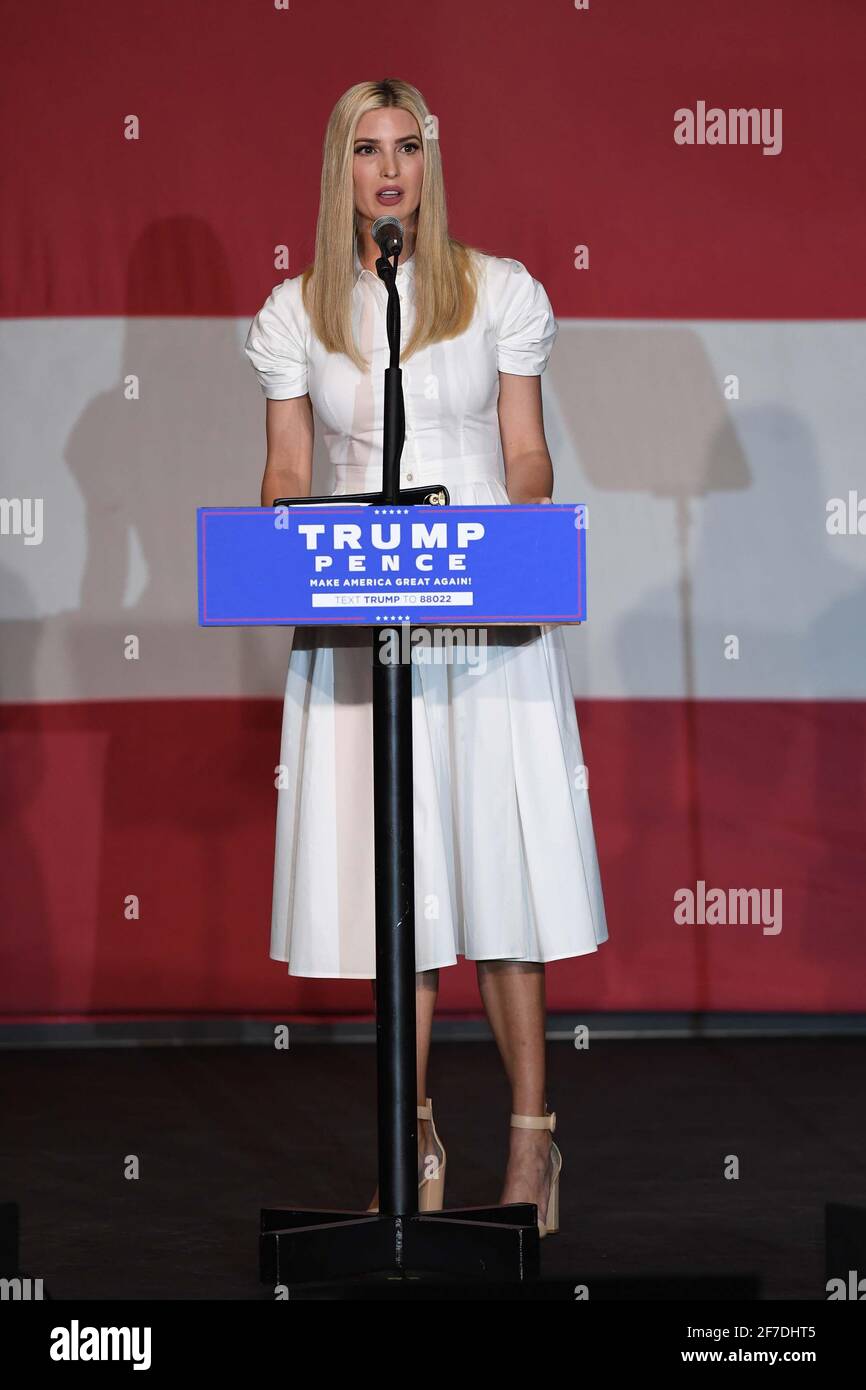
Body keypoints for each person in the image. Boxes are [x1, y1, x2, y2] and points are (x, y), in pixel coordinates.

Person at [244, 77, 608, 1237]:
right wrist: (283, 539)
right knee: (391, 887)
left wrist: (506, 546)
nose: (389, 168)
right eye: (366, 148)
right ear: (337, 169)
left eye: (406, 147)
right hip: (362, 626)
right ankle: (408, 1137)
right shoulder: (298, 311)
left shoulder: (497, 291)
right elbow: (288, 472)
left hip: (482, 619)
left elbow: (527, 454)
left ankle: (530, 1143)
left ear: (429, 164)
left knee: (494, 872)